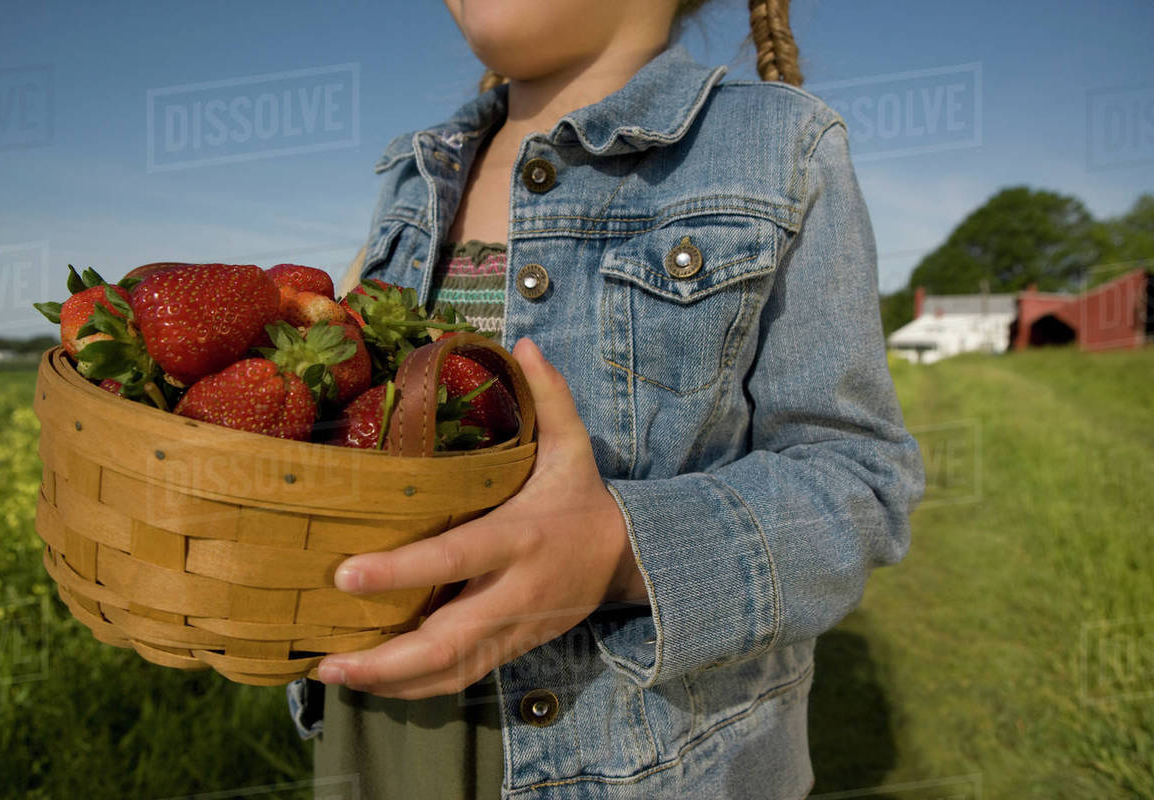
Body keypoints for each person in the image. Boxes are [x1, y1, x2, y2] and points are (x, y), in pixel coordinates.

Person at [287, 0, 926, 797]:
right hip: (378, 733)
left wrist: (619, 554)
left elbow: (858, 481)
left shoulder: (781, 147)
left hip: (637, 761)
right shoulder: (411, 175)